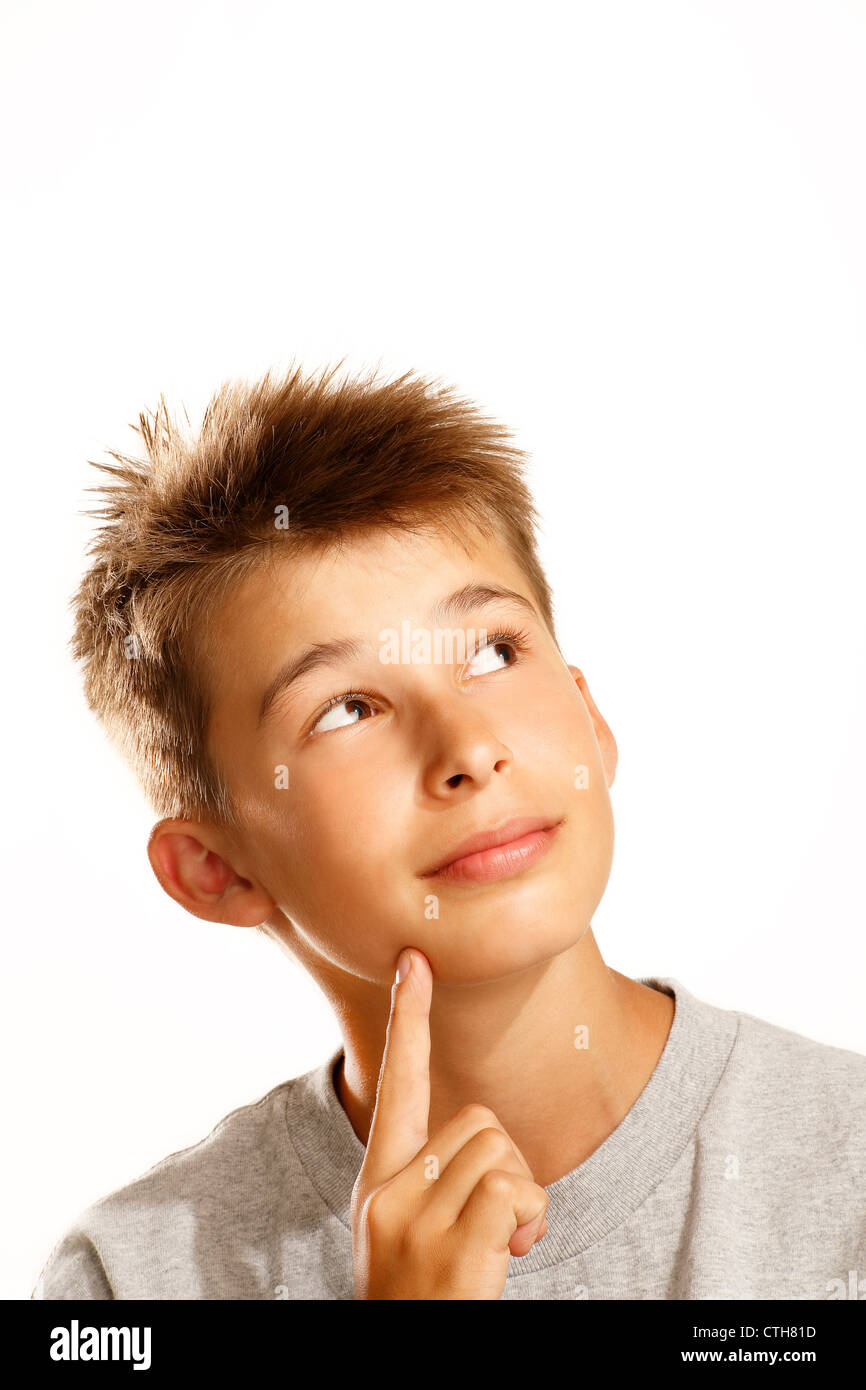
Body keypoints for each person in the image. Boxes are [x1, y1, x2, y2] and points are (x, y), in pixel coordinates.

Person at [33, 360, 866, 1300]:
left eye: (493, 651)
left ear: (591, 721)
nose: (469, 747)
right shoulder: (131, 1282)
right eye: (347, 709)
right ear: (216, 869)